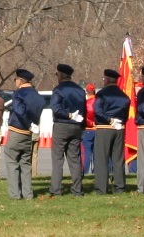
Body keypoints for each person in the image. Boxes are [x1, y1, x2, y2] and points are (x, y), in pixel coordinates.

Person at [4, 68, 45, 200]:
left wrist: (27, 123)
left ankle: (15, 194)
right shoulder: (38, 96)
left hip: (17, 130)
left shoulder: (19, 94)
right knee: (25, 163)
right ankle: (28, 194)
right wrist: (31, 125)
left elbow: (18, 110)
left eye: (16, 79)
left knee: (12, 162)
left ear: (20, 81)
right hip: (29, 133)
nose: (15, 82)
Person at [49, 63, 86, 197]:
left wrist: (68, 114)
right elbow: (84, 110)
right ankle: (77, 189)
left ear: (62, 75)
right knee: (75, 159)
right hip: (76, 126)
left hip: (62, 125)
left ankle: (56, 189)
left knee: (58, 159)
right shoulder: (80, 90)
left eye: (57, 74)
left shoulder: (58, 89)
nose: (57, 76)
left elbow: (55, 107)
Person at [92, 68, 130, 194]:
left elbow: (97, 111)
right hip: (119, 129)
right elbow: (126, 114)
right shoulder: (124, 96)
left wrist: (109, 120)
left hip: (105, 128)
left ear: (107, 79)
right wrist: (119, 122)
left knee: (102, 159)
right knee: (118, 159)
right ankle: (119, 187)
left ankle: (102, 188)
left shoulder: (102, 94)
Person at [82, 82, 97, 175]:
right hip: (98, 129)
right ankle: (96, 171)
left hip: (88, 129)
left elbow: (85, 118)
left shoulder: (86, 104)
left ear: (87, 92)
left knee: (87, 152)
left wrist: (91, 123)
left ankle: (85, 171)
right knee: (96, 152)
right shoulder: (99, 102)